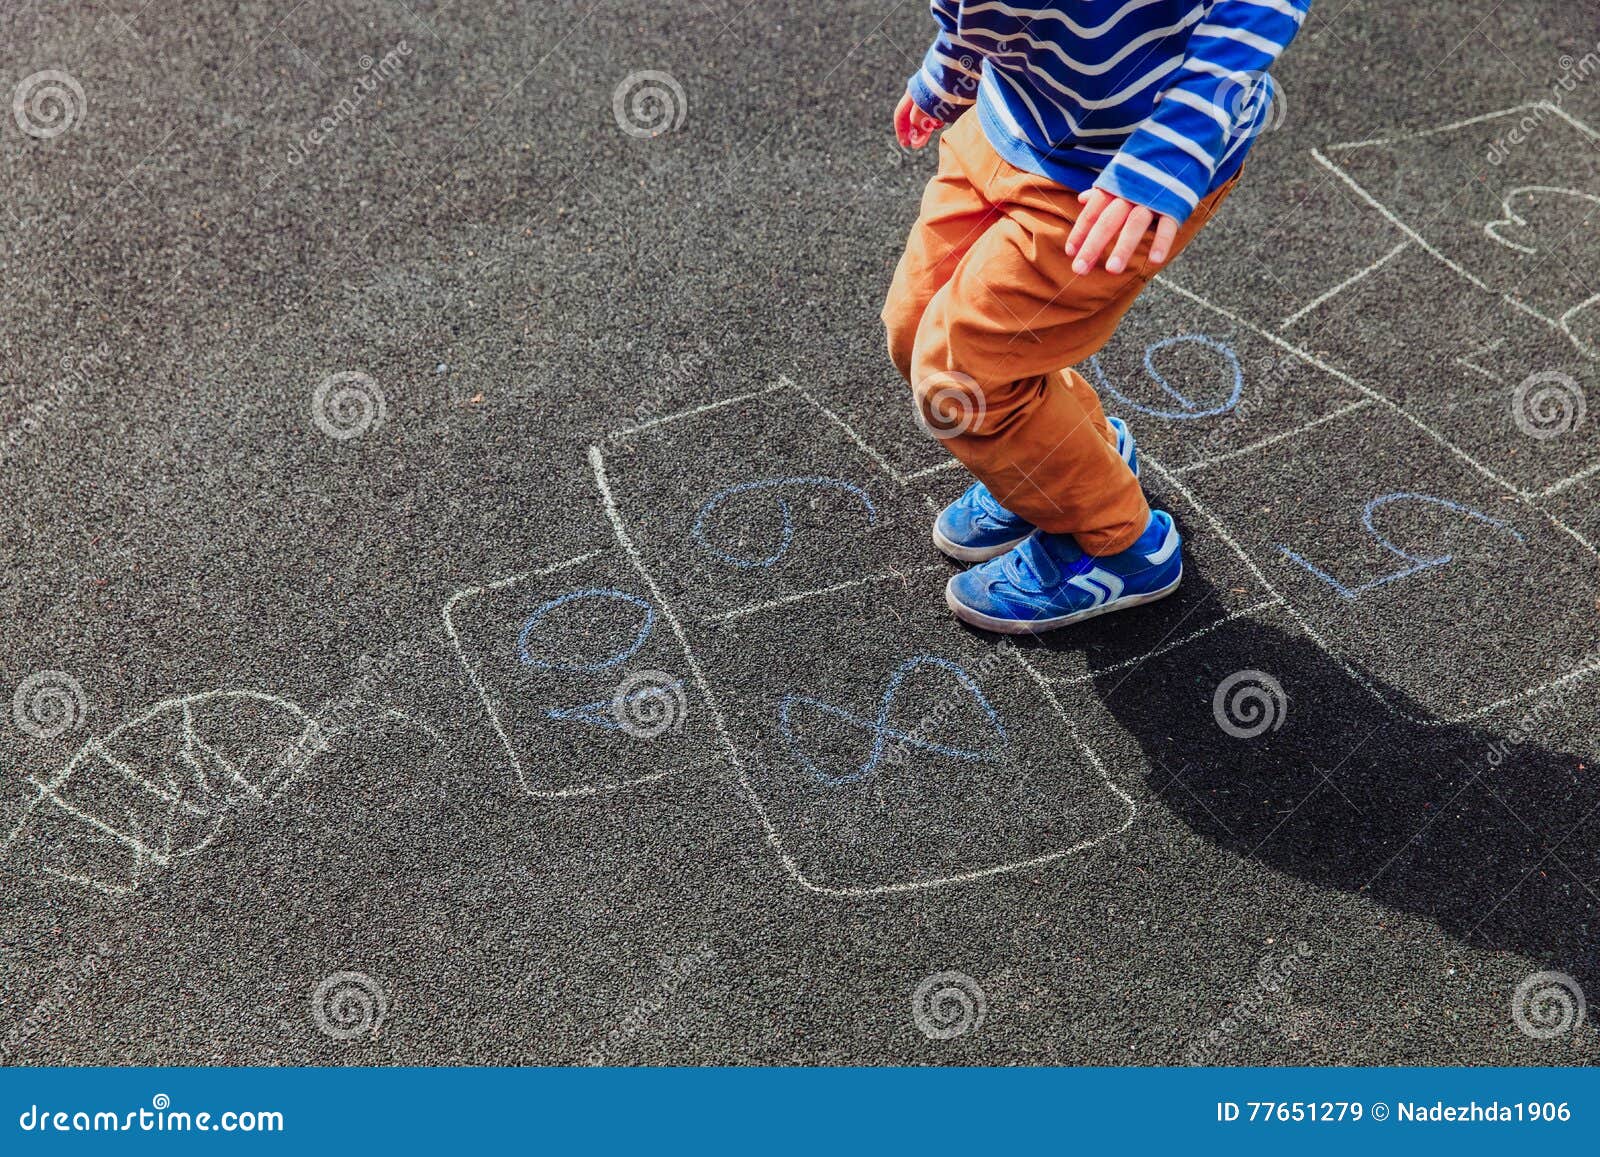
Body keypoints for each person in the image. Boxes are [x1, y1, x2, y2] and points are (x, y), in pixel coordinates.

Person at [883, 0, 1311, 632]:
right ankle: (1075, 459)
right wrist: (952, 64)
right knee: (914, 323)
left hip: (1117, 176)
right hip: (1008, 118)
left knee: (962, 375)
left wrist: (1175, 144)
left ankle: (1115, 544)